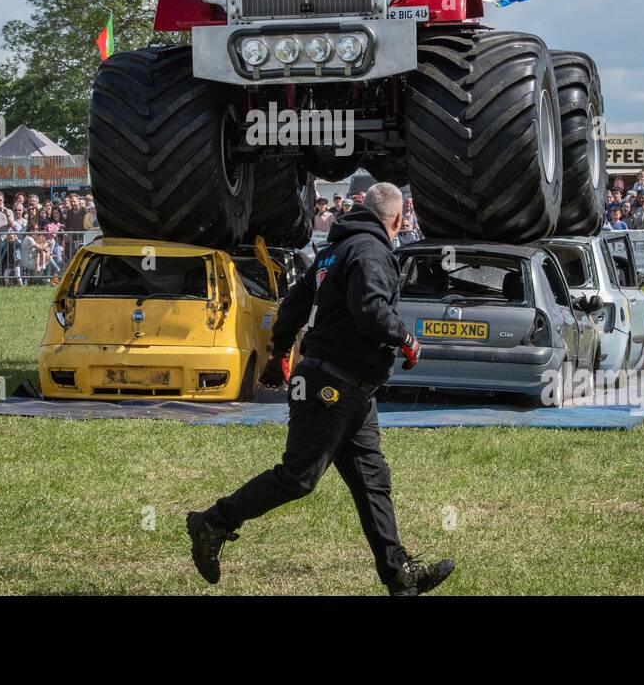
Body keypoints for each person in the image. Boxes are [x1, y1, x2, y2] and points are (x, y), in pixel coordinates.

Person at [185, 182, 454, 597]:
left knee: (372, 482)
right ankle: (214, 522)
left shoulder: (334, 250)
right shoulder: (371, 251)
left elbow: (294, 301)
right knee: (298, 478)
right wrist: (405, 339)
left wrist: (278, 354)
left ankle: (401, 577)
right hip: (334, 385)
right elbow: (371, 311)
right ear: (398, 219)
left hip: (350, 389)